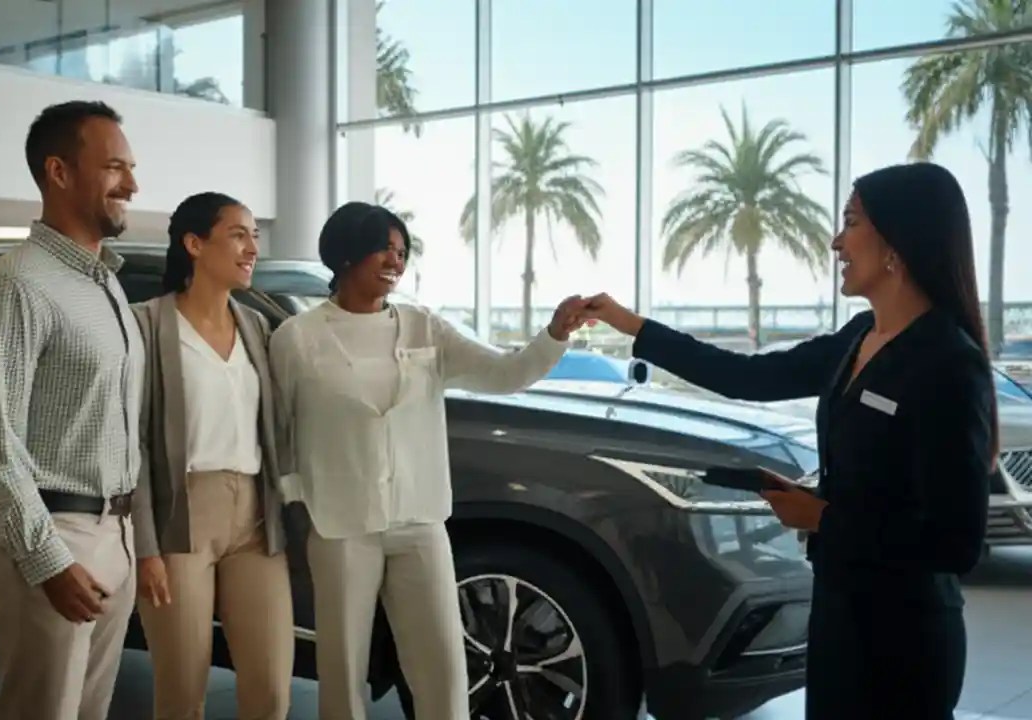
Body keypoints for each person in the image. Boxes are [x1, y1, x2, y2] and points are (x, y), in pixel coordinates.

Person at [583, 162, 997, 720]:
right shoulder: (859, 338)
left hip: (906, 640)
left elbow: (956, 543)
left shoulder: (949, 364)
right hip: (837, 617)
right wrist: (632, 326)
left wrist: (824, 518)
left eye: (850, 223)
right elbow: (745, 376)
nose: (835, 242)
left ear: (897, 240)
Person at [269, 201, 589, 719]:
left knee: (442, 665)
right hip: (340, 526)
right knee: (342, 669)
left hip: (419, 519)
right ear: (347, 252)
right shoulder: (296, 339)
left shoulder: (424, 328)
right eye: (384, 248)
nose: (395, 260)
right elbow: (279, 428)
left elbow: (504, 375)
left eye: (402, 251)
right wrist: (297, 495)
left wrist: (553, 335)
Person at [0, 100, 144, 720]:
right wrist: (48, 560)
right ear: (59, 172)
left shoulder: (107, 283)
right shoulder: (16, 286)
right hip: (54, 535)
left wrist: (132, 541)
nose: (132, 185)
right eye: (115, 167)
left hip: (113, 533)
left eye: (131, 168)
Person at [130, 192, 293, 720]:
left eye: (255, 237)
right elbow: (130, 442)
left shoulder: (256, 328)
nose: (252, 248)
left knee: (271, 690)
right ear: (194, 244)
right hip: (180, 522)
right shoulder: (146, 326)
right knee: (181, 693)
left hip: (254, 520)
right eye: (238, 235)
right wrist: (146, 545)